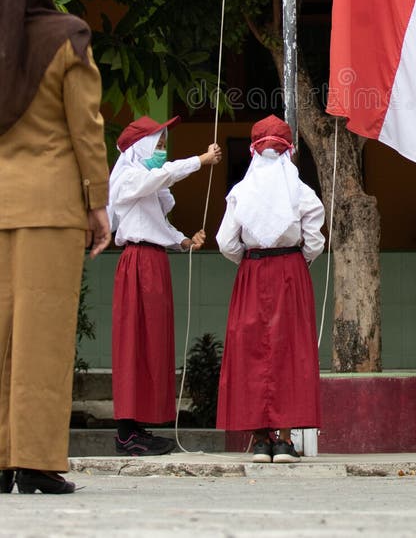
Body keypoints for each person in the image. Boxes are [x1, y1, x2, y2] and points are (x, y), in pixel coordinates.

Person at [0, 0, 111, 495]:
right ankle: (37, 463)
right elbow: (85, 130)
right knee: (42, 336)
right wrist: (99, 205)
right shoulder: (68, 37)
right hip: (50, 207)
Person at [108, 115, 221, 455]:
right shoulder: (128, 178)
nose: (161, 150)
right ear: (139, 147)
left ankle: (138, 426)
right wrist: (200, 161)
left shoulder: (145, 184)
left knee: (152, 343)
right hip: (138, 263)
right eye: (156, 145)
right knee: (133, 344)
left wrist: (184, 241)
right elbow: (163, 174)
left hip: (154, 261)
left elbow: (157, 223)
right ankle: (126, 431)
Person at [215, 114, 325, 463]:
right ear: (289, 151)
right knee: (290, 349)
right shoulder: (300, 190)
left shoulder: (241, 191)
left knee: (251, 350)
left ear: (253, 151)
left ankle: (261, 440)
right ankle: (286, 441)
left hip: (252, 269)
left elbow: (225, 242)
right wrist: (297, 260)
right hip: (290, 270)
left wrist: (249, 262)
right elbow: (315, 239)